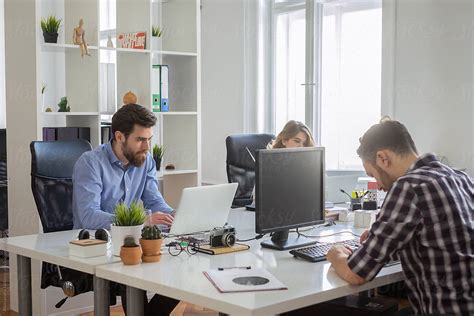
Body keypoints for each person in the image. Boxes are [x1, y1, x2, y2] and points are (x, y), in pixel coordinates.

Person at [326, 119, 473, 315]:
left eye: (372, 175)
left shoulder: (408, 187)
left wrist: (335, 252)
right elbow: (441, 242)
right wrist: (382, 237)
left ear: (382, 158)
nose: (377, 185)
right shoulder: (461, 178)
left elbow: (355, 274)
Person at [72, 104, 178, 315]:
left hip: (132, 242)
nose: (147, 146)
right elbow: (88, 216)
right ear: (119, 136)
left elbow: (154, 201)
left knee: (182, 267)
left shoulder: (145, 160)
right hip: (98, 245)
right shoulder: (91, 163)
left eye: (149, 139)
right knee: (136, 275)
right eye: (140, 139)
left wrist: (175, 216)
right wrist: (142, 223)